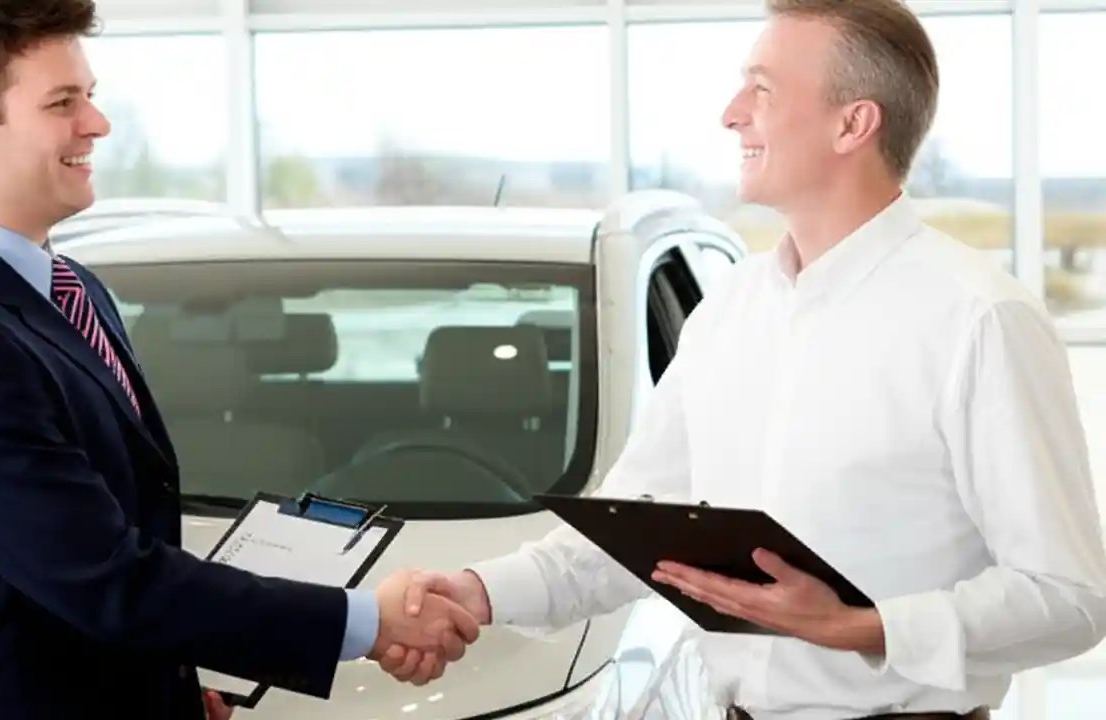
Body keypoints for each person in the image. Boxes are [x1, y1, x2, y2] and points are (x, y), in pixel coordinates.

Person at [388, 0, 1106, 718]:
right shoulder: (729, 312)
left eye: (762, 88)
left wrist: (861, 627)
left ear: (852, 124)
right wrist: (478, 591)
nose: (732, 113)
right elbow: (636, 526)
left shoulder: (979, 319)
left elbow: (1070, 596)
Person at [0, 1, 477, 719]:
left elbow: (79, 566)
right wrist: (365, 621)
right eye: (62, 102)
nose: (97, 124)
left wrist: (165, 693)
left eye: (89, 96)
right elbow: (110, 581)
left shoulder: (71, 288)